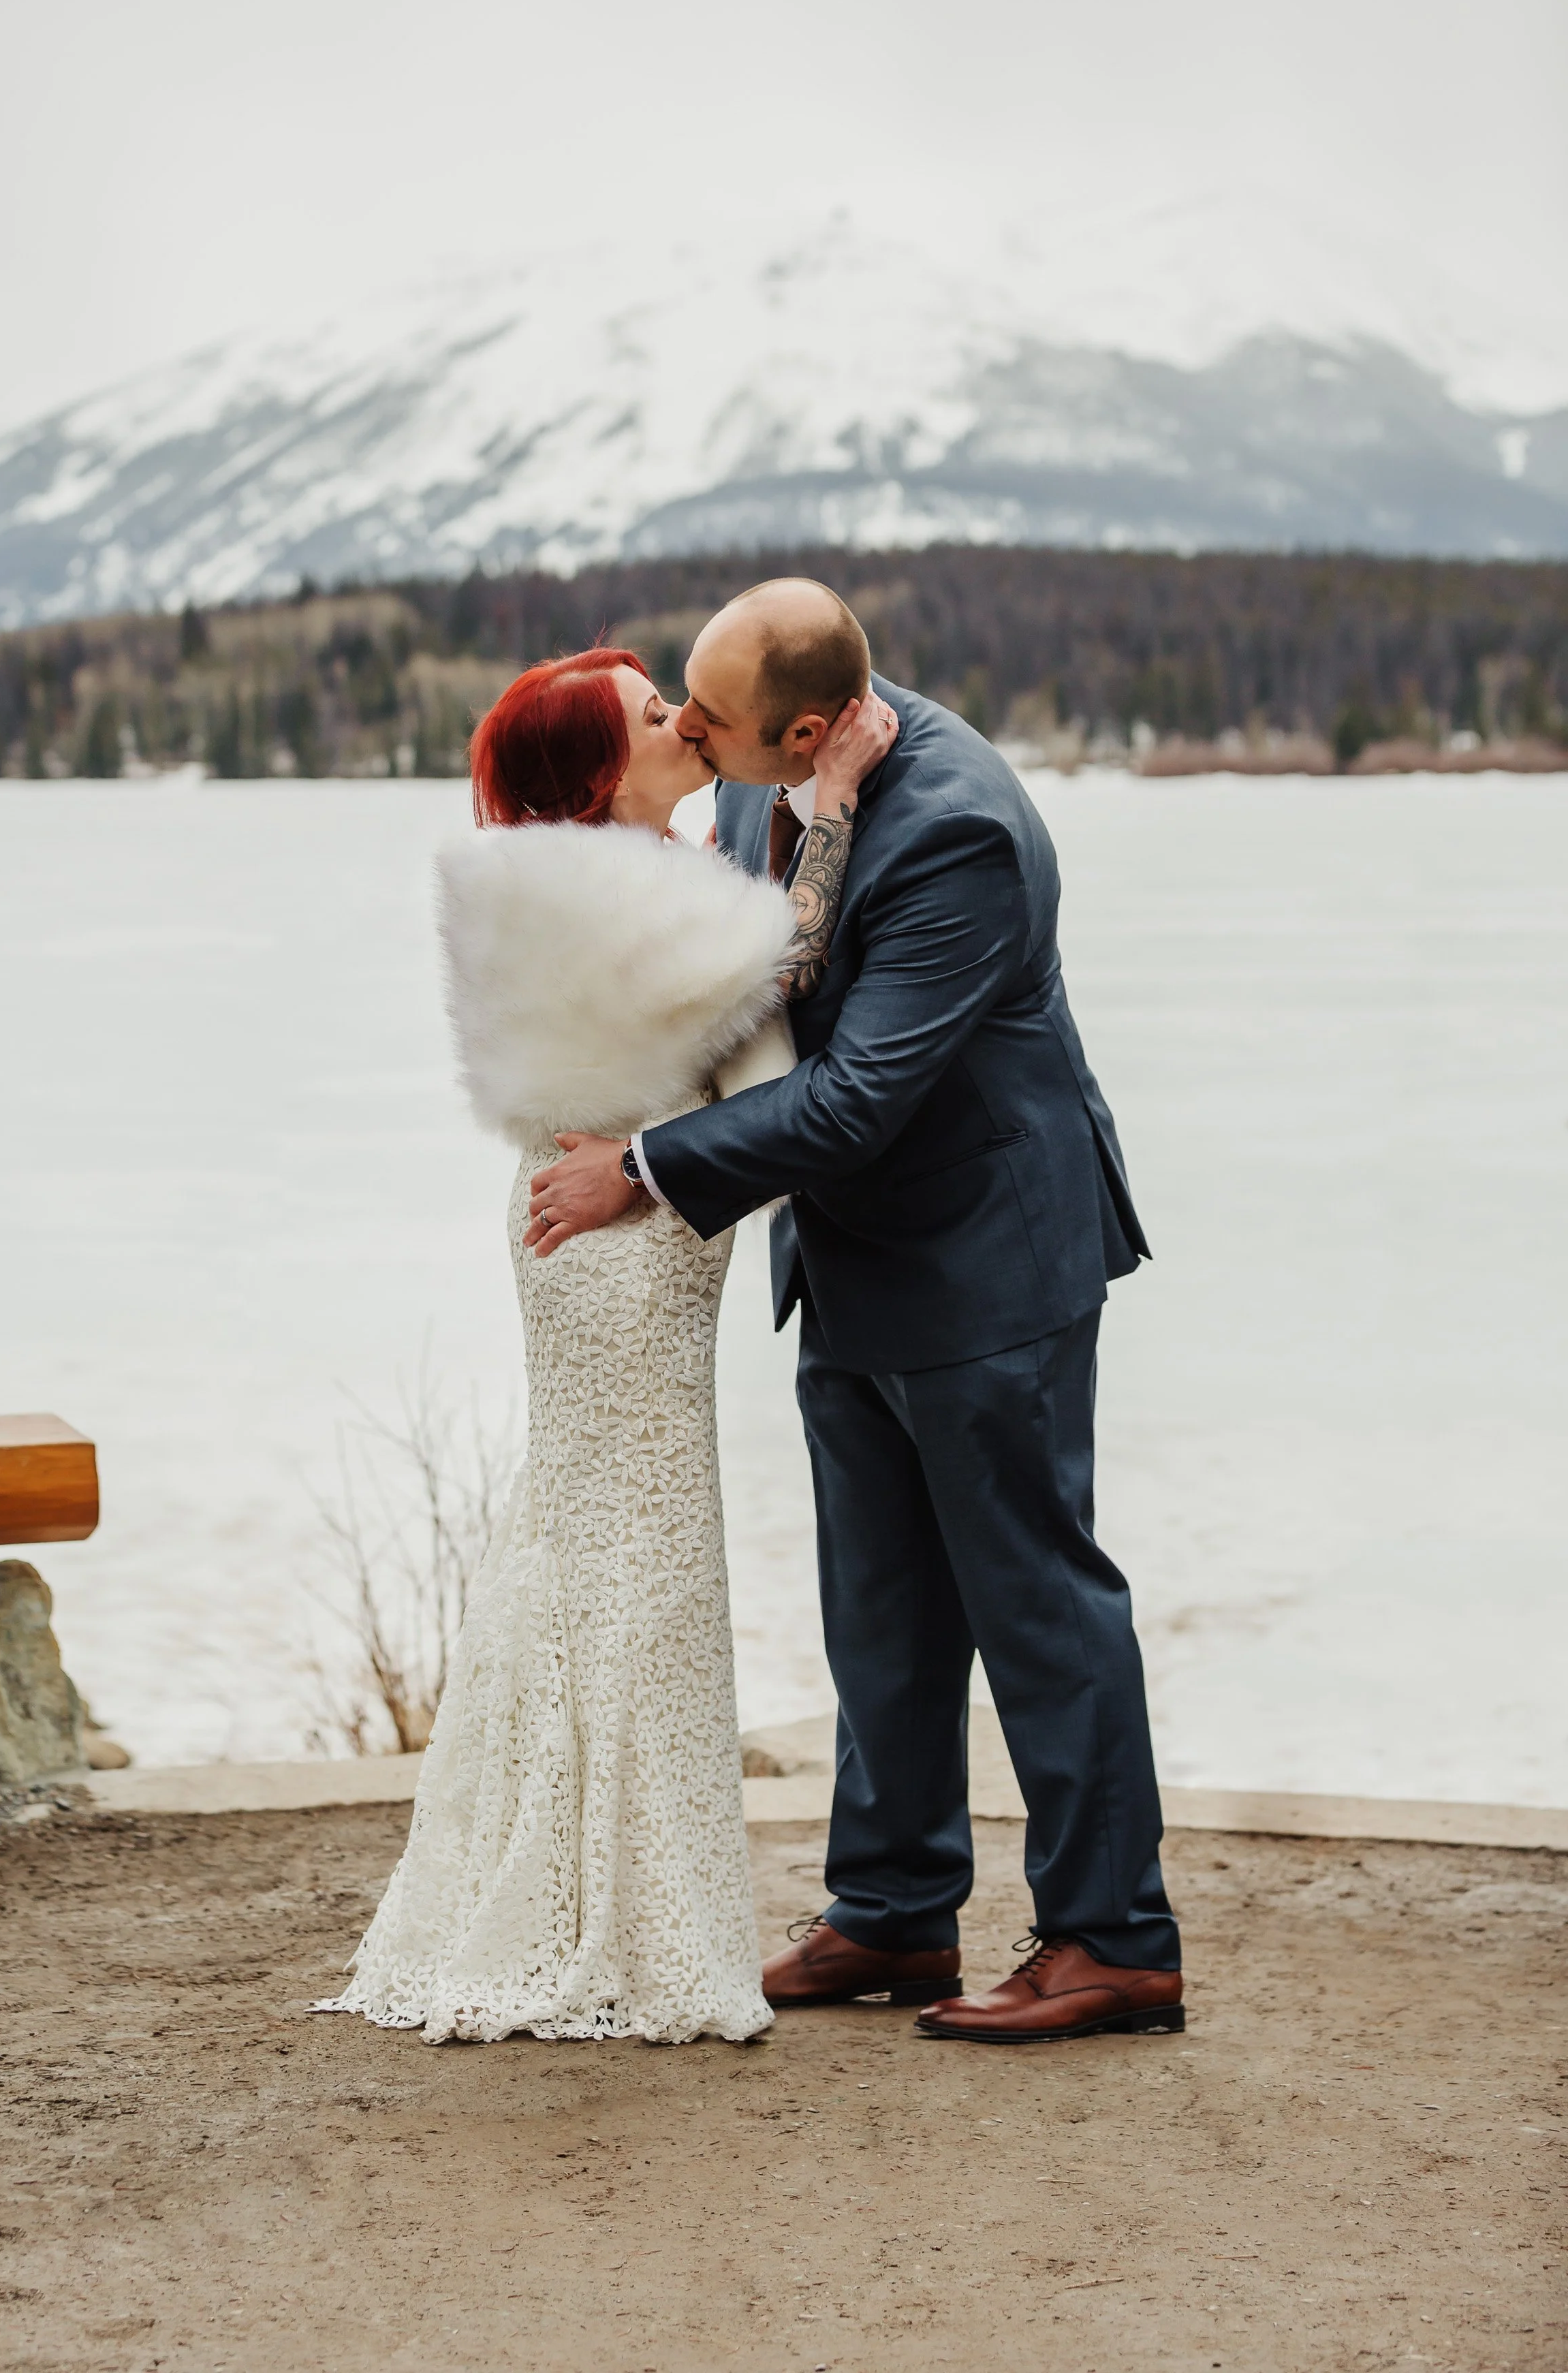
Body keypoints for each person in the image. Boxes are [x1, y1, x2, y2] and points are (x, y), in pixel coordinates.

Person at [525, 580, 1185, 2045]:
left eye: (712, 720)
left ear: (810, 730)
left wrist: (643, 1166)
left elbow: (858, 1095)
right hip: (855, 1260)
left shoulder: (956, 829)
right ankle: (891, 1913)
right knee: (879, 1608)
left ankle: (1116, 1941)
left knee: (1038, 1603)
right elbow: (766, 980)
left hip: (987, 1266)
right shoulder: (775, 775)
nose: (690, 735)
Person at [317, 644, 896, 2044]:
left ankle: (580, 1878)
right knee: (638, 1550)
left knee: (584, 1535)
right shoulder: (604, 889)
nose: (684, 722)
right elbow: (784, 976)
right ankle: (622, 1918)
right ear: (595, 771)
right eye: (652, 716)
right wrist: (830, 803)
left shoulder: (609, 873)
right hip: (613, 1239)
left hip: (611, 1223)